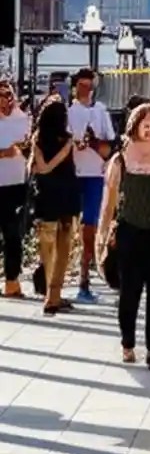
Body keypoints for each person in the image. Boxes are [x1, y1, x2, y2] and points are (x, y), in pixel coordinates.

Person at [99, 103, 150, 370]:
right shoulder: (120, 159)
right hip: (130, 231)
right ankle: (127, 344)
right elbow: (109, 201)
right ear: (135, 125)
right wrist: (102, 236)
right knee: (130, 291)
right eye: (146, 123)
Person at [67, 68, 115, 304]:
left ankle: (84, 280)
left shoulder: (101, 111)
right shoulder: (68, 112)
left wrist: (93, 142)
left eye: (90, 85)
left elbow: (110, 144)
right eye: (82, 86)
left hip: (95, 175)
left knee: (89, 229)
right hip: (72, 176)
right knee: (68, 227)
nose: (86, 90)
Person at [30, 100, 80, 315]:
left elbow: (40, 167)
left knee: (47, 248)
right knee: (63, 247)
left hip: (46, 195)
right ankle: (54, 295)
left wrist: (45, 169)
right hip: (66, 194)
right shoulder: (67, 140)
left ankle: (50, 296)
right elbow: (63, 161)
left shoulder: (37, 139)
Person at [0, 81, 29, 298]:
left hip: (15, 184)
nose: (3, 100)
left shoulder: (22, 119)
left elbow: (28, 146)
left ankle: (12, 281)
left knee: (13, 235)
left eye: (6, 95)